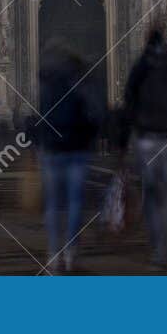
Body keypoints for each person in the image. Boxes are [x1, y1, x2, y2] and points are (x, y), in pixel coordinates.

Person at [119, 28, 167, 267]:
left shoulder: (141, 68)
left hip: (147, 139)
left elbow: (129, 102)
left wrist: (126, 137)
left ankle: (158, 244)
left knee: (150, 194)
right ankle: (165, 245)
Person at [34, 43, 102, 272]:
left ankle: (54, 252)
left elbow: (40, 116)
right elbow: (95, 113)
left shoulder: (46, 83)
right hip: (77, 150)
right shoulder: (81, 81)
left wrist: (38, 144)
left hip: (52, 150)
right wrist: (92, 138)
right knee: (75, 202)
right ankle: (72, 250)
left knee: (53, 203)